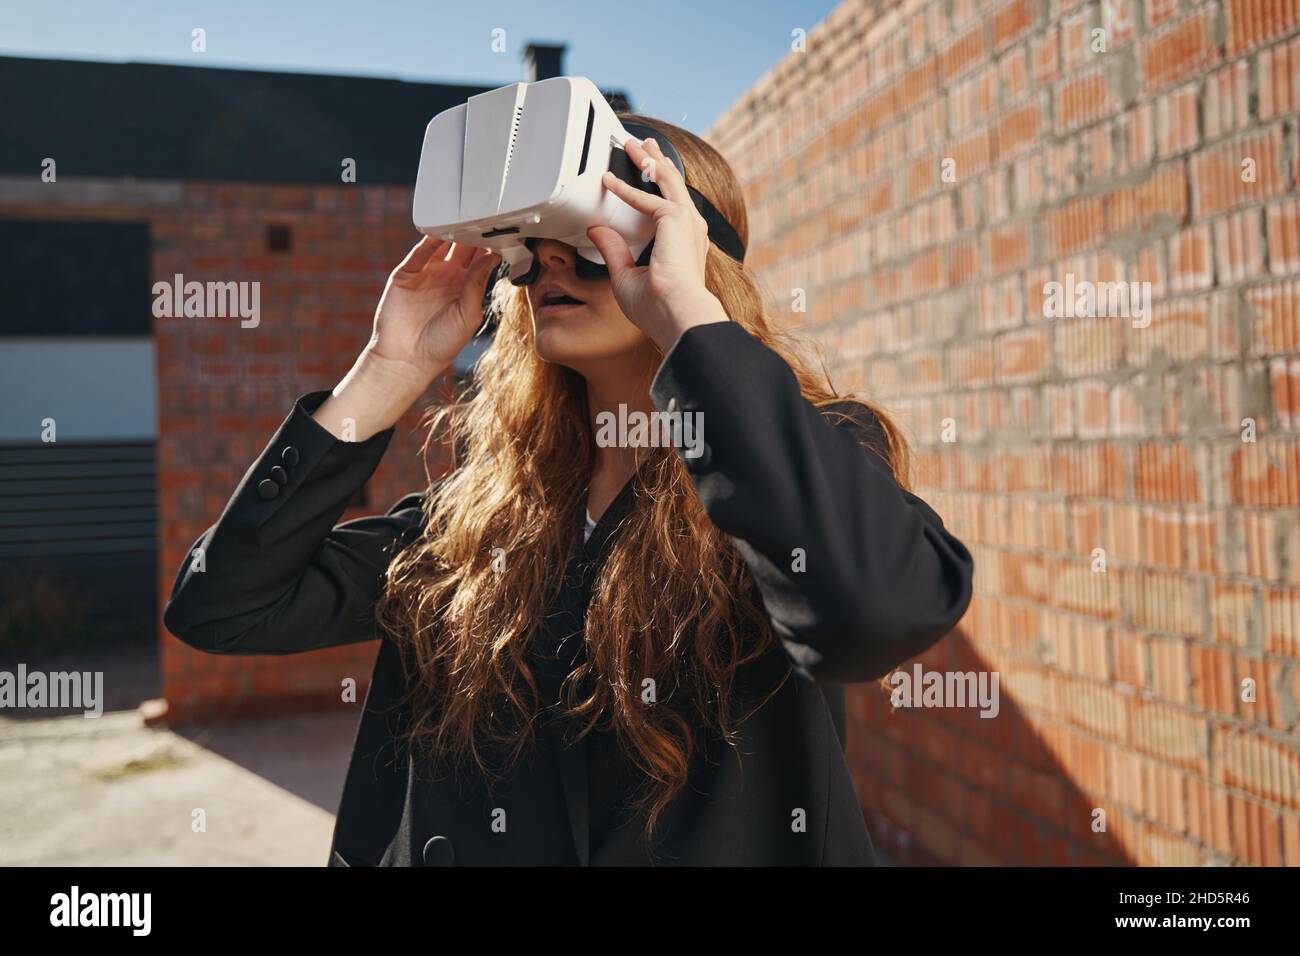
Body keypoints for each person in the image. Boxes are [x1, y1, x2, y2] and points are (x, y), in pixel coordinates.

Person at [164, 117, 974, 866]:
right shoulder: (476, 519)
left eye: (597, 238)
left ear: (688, 255)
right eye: (537, 242)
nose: (553, 262)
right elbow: (223, 607)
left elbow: (875, 615)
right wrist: (389, 370)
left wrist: (687, 322)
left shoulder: (802, 460)